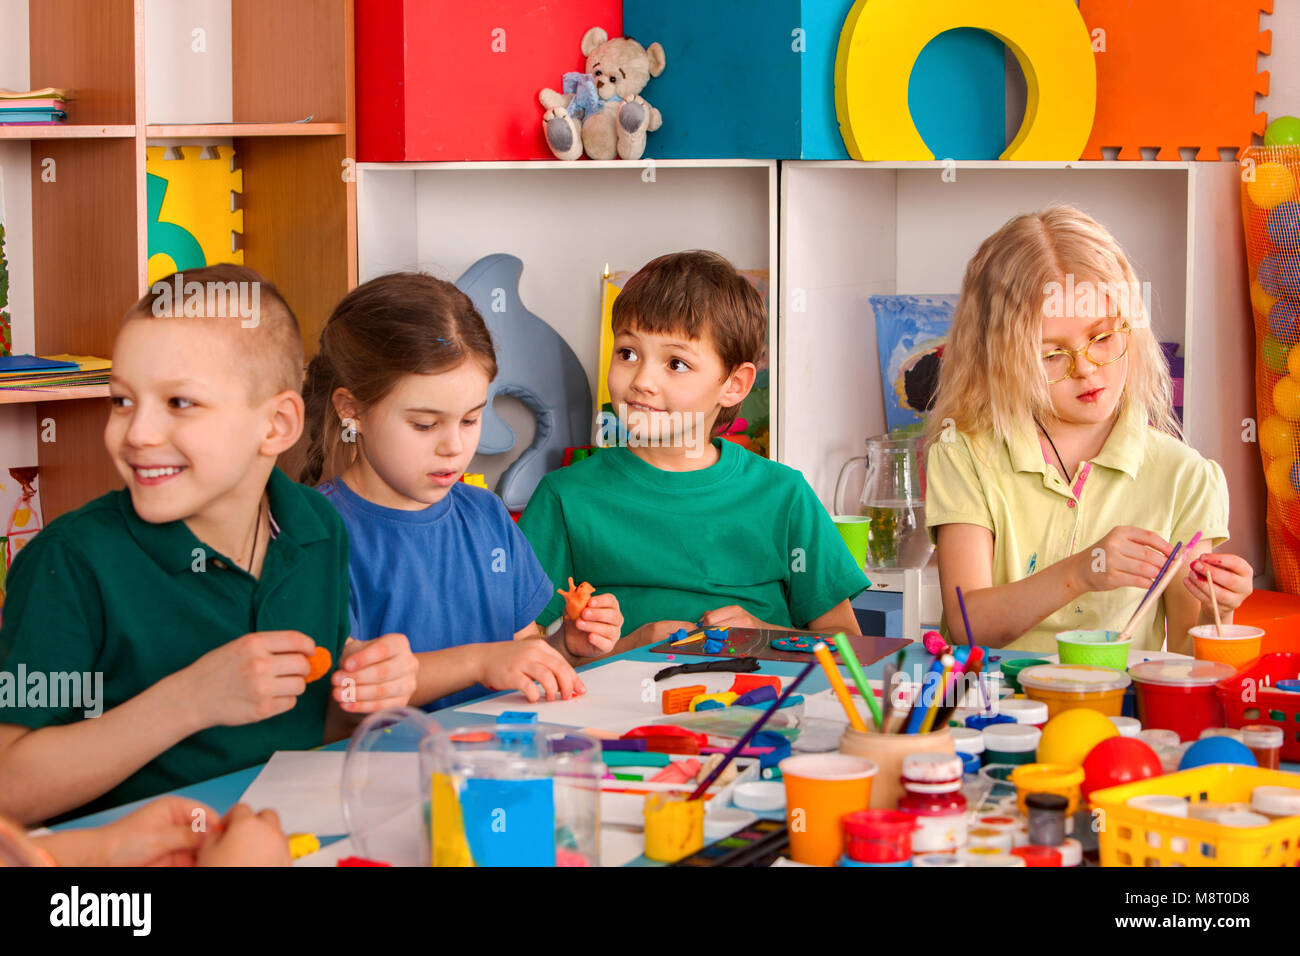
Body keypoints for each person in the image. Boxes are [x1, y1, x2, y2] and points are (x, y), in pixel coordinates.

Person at [924, 205, 1253, 652]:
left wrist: (1222, 610)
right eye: (1051, 354)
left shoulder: (1185, 476)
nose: (1087, 370)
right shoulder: (965, 453)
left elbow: (1186, 658)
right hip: (987, 709)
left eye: (1101, 338)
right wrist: (1081, 573)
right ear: (1000, 360)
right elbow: (968, 624)